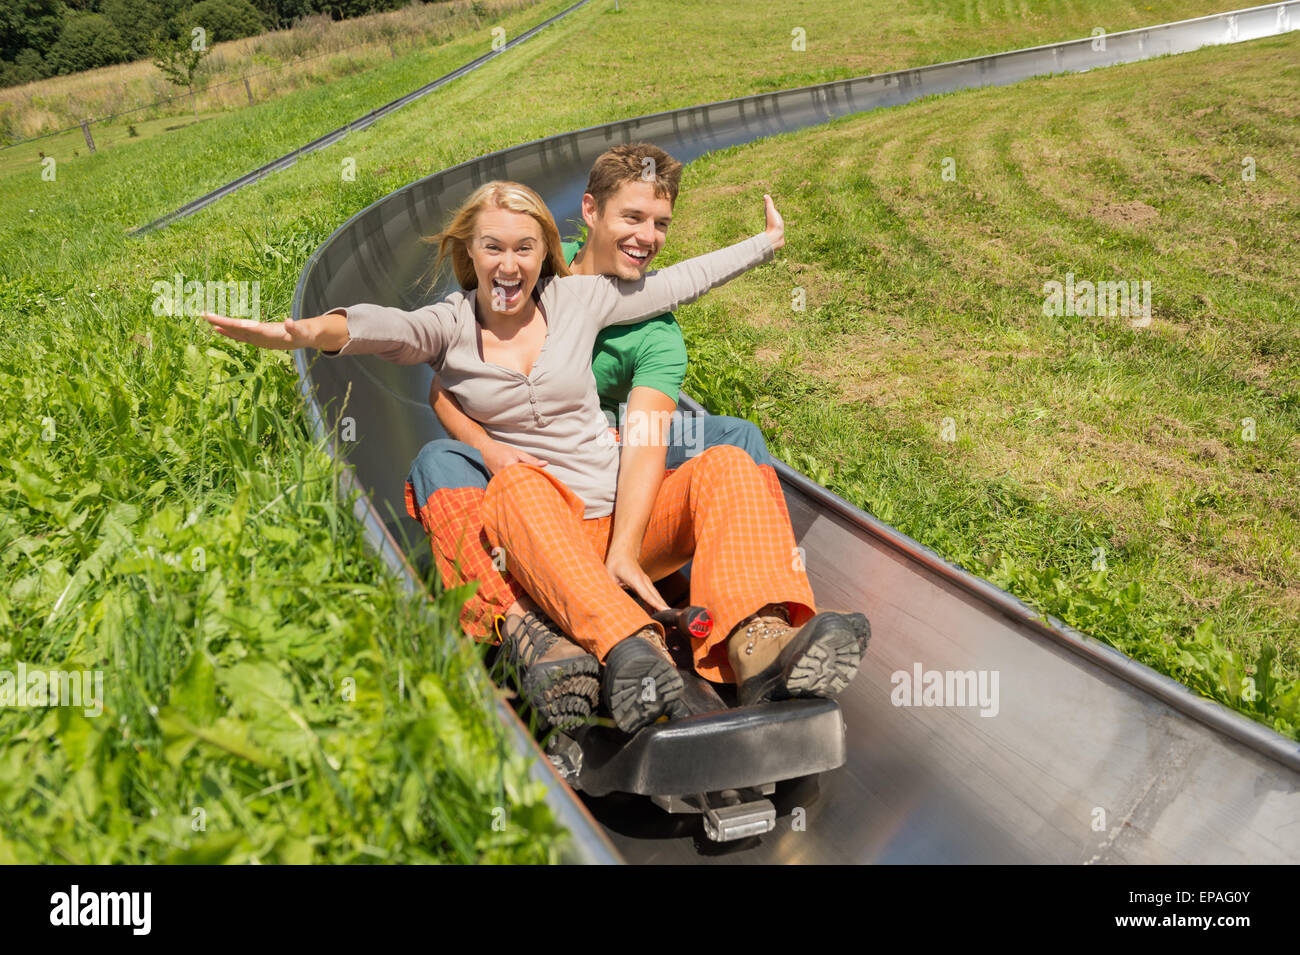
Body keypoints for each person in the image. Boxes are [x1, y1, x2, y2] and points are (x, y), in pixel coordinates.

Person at [205, 179, 866, 735]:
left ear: (544, 253)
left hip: (622, 519)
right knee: (514, 482)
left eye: (525, 246)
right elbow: (385, 328)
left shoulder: (577, 300)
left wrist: (766, 243)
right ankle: (631, 650)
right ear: (472, 251)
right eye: (493, 246)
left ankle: (762, 646)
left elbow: (676, 283)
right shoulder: (449, 324)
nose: (510, 262)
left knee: (724, 462)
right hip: (543, 531)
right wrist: (312, 331)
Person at [405, 143, 790, 729]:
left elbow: (644, 435)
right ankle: (522, 626)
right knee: (439, 462)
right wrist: (490, 448)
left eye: (660, 224)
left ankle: (749, 619)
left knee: (732, 440)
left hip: (609, 462)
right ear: (590, 212)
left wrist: (627, 548)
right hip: (526, 480)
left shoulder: (654, 333)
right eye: (631, 218)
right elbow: (444, 385)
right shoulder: (531, 276)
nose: (647, 236)